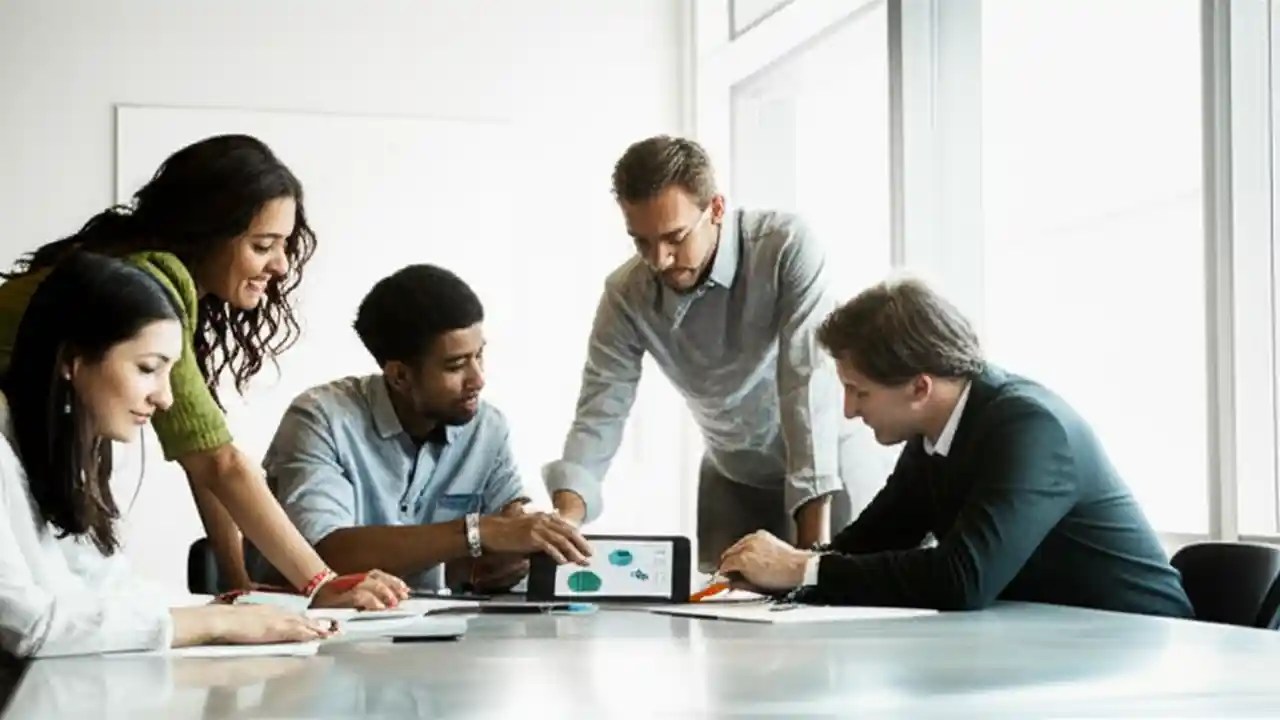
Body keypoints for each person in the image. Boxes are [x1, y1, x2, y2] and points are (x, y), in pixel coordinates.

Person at [0, 135, 406, 608]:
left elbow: (205, 458)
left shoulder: (144, 272)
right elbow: (218, 462)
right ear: (207, 233)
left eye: (285, 246)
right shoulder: (149, 280)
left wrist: (238, 584)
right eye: (263, 245)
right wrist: (319, 583)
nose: (280, 265)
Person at [717, 277, 1195, 618]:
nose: (848, 411)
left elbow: (962, 578)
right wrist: (776, 572)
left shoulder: (1030, 428)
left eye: (859, 391)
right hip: (1047, 639)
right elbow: (871, 543)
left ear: (919, 388)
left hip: (1137, 642)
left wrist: (803, 569)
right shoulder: (934, 433)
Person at [544, 134, 887, 570]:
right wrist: (564, 522)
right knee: (722, 617)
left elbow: (807, 382)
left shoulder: (786, 247)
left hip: (829, 467)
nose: (660, 260)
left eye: (675, 237)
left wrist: (809, 554)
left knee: (841, 600)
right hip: (732, 471)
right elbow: (600, 409)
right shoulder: (625, 294)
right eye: (641, 242)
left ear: (717, 209)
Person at [0, 252, 342, 658]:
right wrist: (217, 623)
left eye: (168, 371)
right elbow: (28, 628)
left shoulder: (67, 442)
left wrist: (234, 610)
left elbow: (105, 586)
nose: (165, 398)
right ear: (73, 361)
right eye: (148, 368)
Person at [259, 264, 592, 593]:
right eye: (456, 365)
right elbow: (324, 554)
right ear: (400, 376)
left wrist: (518, 546)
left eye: (479, 355)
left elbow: (509, 525)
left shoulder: (487, 428)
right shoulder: (320, 420)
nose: (478, 379)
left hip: (438, 632)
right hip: (312, 630)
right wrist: (476, 533)